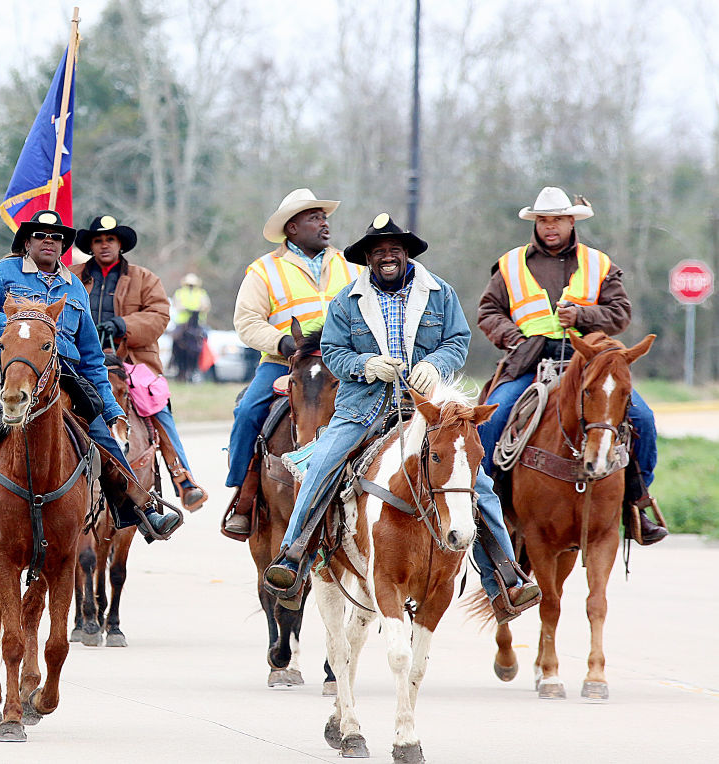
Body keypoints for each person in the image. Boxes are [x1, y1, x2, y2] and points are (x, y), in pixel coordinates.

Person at [263, 214, 541, 624]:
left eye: (394, 250)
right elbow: (335, 352)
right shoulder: (346, 301)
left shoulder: (439, 293)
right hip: (363, 407)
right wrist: (366, 363)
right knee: (322, 464)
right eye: (378, 253)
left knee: (476, 484)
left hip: (427, 408)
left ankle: (504, 579)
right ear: (369, 259)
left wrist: (436, 364)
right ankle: (293, 557)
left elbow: (457, 341)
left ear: (407, 253)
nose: (387, 257)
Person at [0, 210, 182, 550]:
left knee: (102, 436)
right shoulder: (0, 273)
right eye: (41, 235)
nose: (49, 240)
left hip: (64, 377)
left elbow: (91, 356)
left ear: (63, 246)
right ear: (27, 242)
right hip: (1, 373)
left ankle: (141, 507)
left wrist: (108, 407)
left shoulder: (74, 286)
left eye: (56, 236)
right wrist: (24, 330)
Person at [476, 187, 666, 545]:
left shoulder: (599, 264)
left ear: (571, 222)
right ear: (535, 223)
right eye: (545, 220)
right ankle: (483, 506)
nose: (551, 227)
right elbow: (488, 311)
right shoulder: (510, 264)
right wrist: (513, 338)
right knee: (492, 420)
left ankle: (637, 502)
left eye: (559, 220)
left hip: (592, 364)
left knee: (643, 418)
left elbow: (621, 313)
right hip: (531, 362)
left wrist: (582, 315)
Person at [222, 189, 362, 536]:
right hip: (284, 361)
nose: (323, 223)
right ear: (293, 227)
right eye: (314, 218)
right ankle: (245, 492)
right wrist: (283, 343)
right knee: (248, 411)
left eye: (324, 217)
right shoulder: (263, 269)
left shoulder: (352, 265)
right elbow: (247, 321)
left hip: (341, 362)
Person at [71, 214, 206, 511]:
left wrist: (122, 325)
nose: (104, 245)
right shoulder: (71, 276)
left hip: (131, 360)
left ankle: (182, 478)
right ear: (91, 245)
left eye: (110, 239)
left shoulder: (145, 278)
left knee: (156, 407)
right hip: (80, 360)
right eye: (98, 240)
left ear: (120, 244)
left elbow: (159, 315)